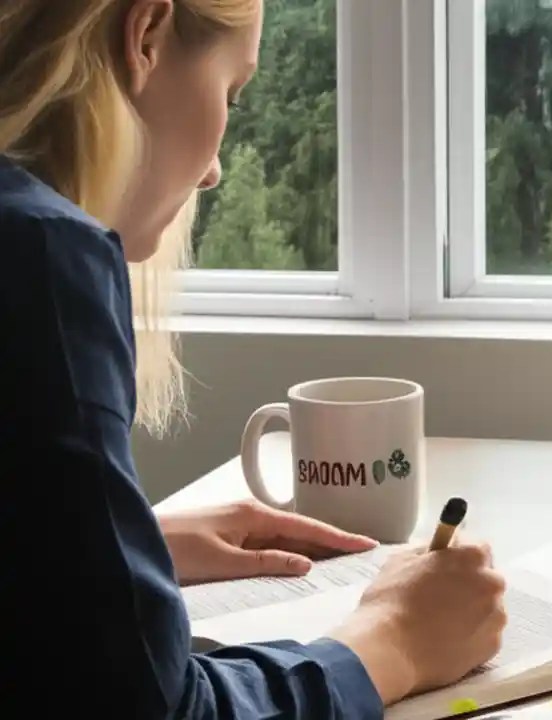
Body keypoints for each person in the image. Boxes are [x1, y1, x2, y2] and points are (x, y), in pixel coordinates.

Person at [0, 1, 506, 717]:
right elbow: (151, 709)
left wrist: (119, 551)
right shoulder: (37, 253)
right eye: (231, 93)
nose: (212, 173)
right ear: (145, 34)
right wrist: (393, 641)